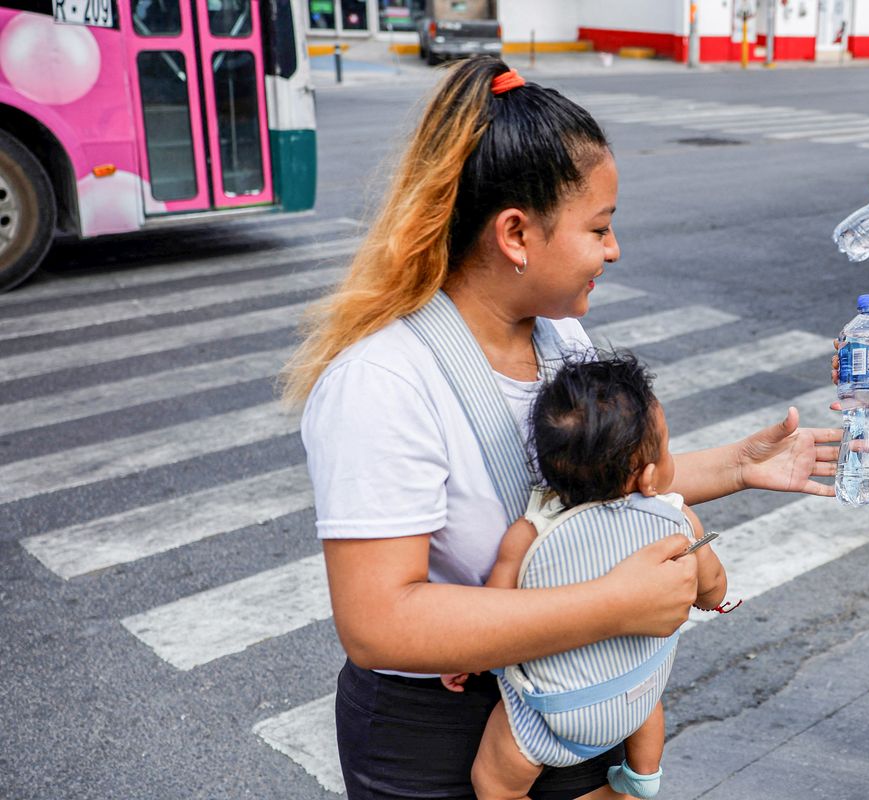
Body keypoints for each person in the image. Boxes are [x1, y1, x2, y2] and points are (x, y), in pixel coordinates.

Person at [284, 56, 840, 800]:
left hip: (572, 687)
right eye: (599, 227)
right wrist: (614, 604)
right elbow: (378, 621)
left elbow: (604, 484)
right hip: (437, 736)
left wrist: (742, 464)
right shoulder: (383, 381)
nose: (614, 249)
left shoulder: (558, 338)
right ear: (516, 234)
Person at [459, 354, 728, 800]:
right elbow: (712, 587)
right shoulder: (676, 519)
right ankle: (643, 774)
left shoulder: (530, 531)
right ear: (648, 476)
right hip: (636, 695)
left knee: (493, 785)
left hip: (556, 714)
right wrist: (712, 596)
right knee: (646, 689)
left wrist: (464, 658)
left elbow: (490, 613)